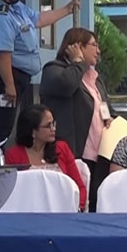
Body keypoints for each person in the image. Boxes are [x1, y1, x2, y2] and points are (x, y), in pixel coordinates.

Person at [0, 0, 76, 163]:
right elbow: (2, 54)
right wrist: (9, 86)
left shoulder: (16, 7)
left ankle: (1, 166)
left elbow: (38, 19)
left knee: (6, 124)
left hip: (12, 75)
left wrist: (66, 10)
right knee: (0, 127)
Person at [39, 27, 115, 210]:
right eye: (93, 45)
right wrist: (78, 63)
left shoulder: (94, 77)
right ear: (78, 47)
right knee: (75, 200)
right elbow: (66, 86)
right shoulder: (54, 70)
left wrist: (109, 118)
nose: (98, 51)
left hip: (99, 151)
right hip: (75, 150)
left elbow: (104, 105)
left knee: (96, 200)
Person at [4, 104, 88, 211]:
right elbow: (11, 193)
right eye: (48, 126)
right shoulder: (13, 155)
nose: (53, 129)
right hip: (28, 212)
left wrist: (77, 209)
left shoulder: (62, 148)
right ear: (33, 131)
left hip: (63, 212)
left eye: (54, 124)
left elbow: (79, 187)